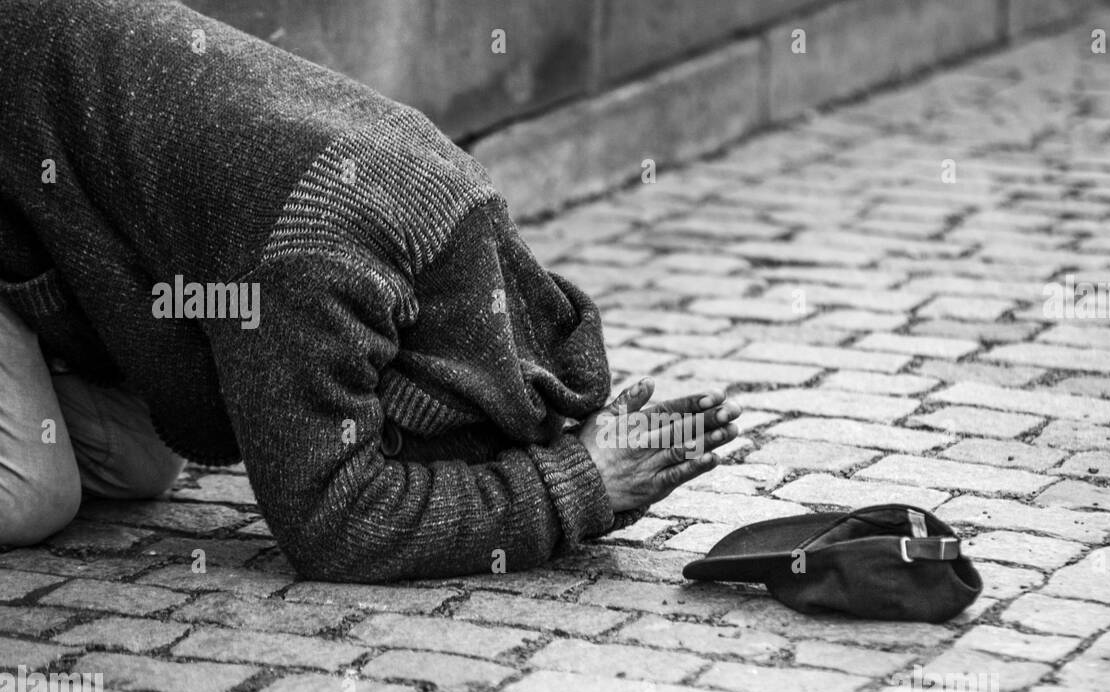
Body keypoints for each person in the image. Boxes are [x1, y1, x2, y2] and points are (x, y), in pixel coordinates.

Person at [0, 0, 742, 580]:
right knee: (34, 495)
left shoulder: (458, 225)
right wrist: (577, 485)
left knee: (136, 462)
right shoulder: (319, 268)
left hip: (45, 193)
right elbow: (332, 521)